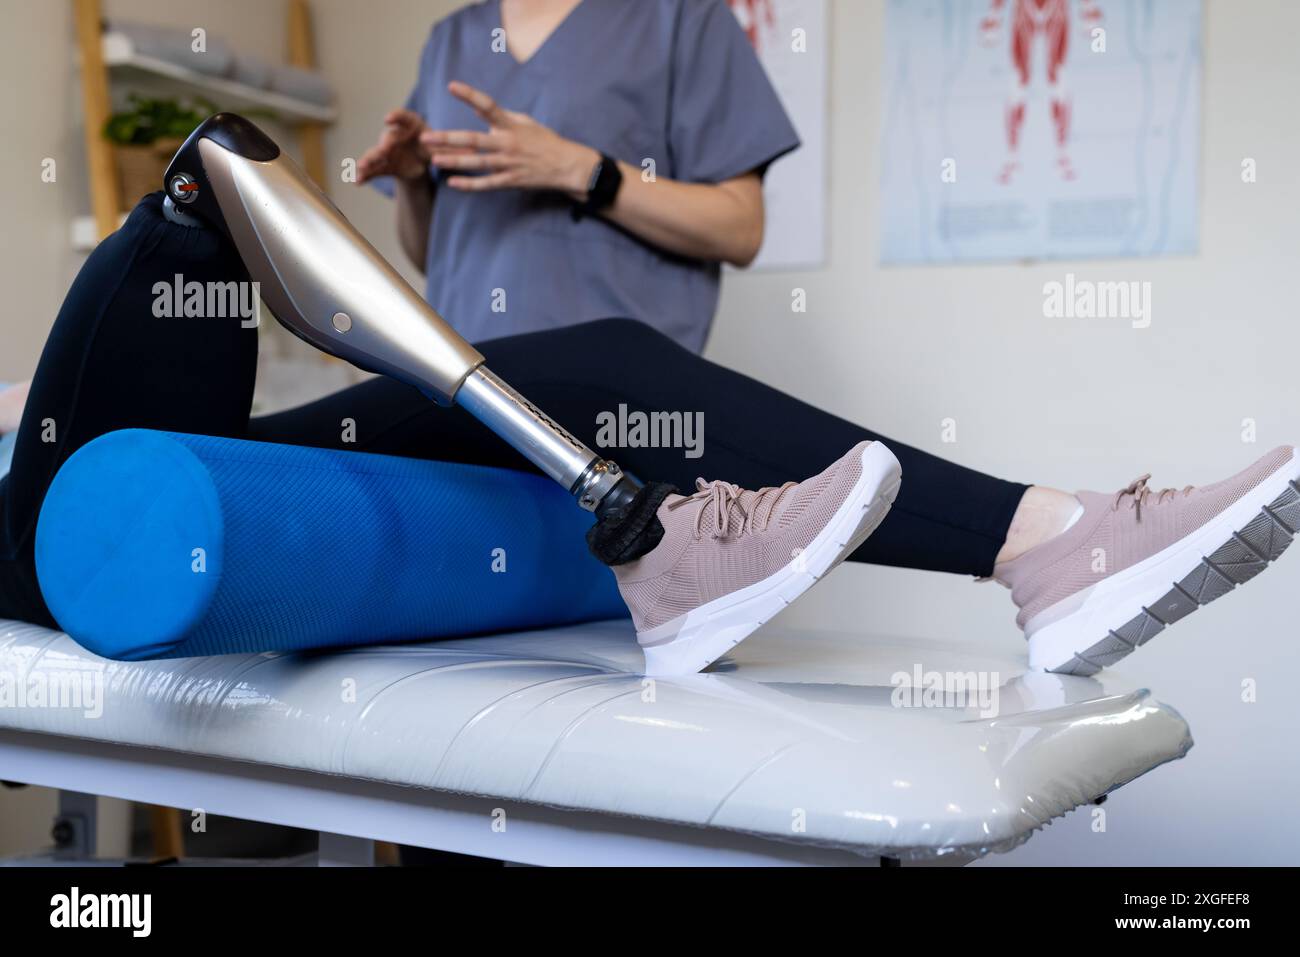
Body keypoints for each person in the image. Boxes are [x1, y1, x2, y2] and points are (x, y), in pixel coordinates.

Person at [1, 193, 1295, 676]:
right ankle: (1046, 544)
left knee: (608, 371)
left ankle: (1043, 540)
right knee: (207, 175)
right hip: (53, 532)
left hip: (93, 484)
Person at [356, 0, 800, 352]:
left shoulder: (683, 17)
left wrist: (581, 171)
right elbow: (434, 258)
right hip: (464, 384)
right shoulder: (449, 40)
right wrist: (414, 181)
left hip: (617, 398)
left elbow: (741, 229)